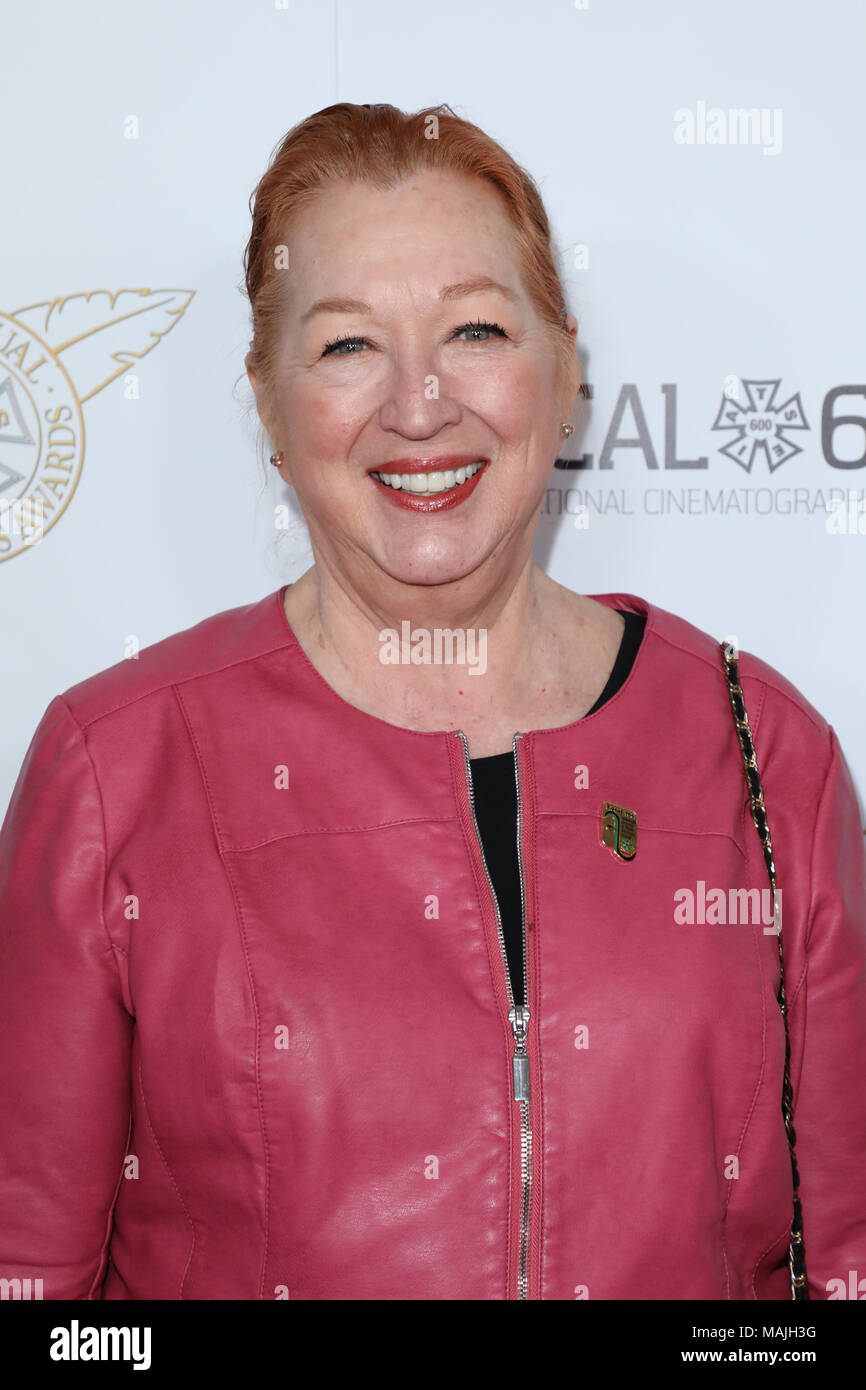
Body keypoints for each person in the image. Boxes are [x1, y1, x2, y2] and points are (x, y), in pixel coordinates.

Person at [1, 102, 864, 1302]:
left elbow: (839, 1276)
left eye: (474, 328)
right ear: (265, 399)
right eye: (347, 345)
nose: (419, 404)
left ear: (563, 368)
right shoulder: (114, 767)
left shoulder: (765, 755)